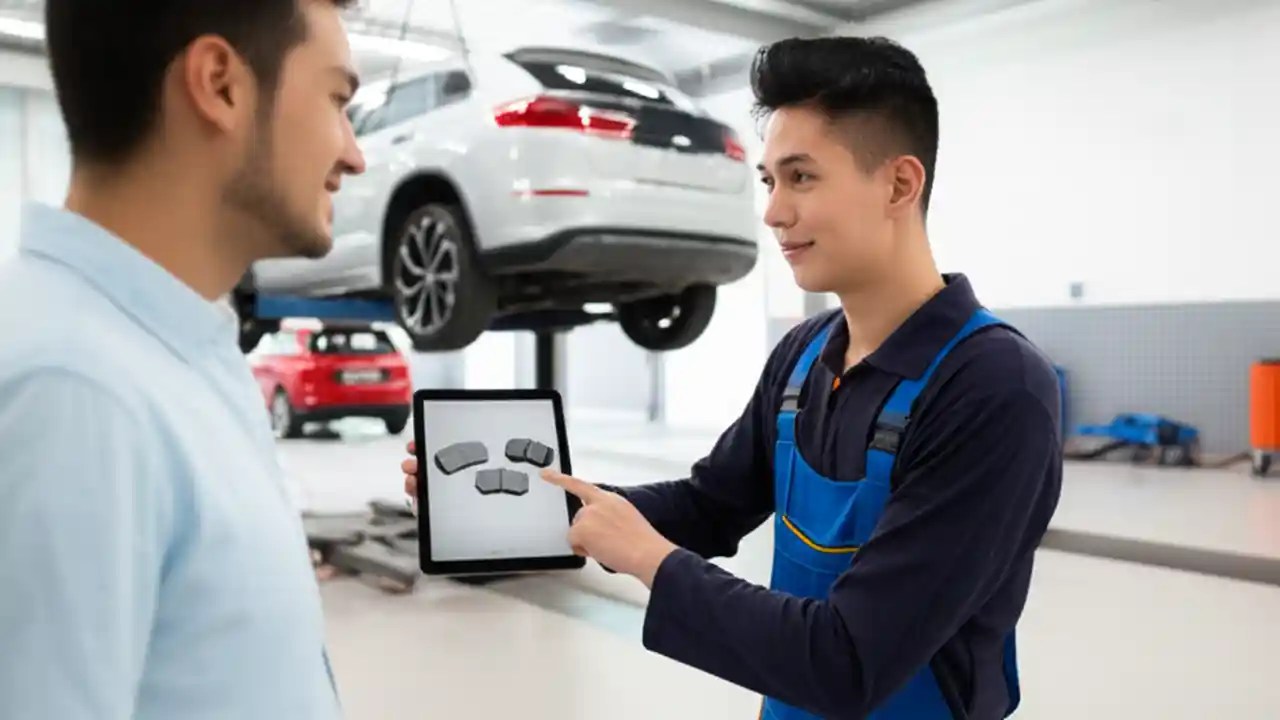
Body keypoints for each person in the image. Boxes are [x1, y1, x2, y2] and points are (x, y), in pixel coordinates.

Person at [405, 35, 1063, 720]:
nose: (775, 212)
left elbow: (849, 661)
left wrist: (653, 563)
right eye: (769, 181)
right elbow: (710, 506)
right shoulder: (804, 358)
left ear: (899, 183)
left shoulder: (994, 389)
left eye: (802, 177)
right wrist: (527, 507)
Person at [0, 1, 365, 717]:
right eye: (337, 101)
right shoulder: (75, 397)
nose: (354, 153)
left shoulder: (175, 354)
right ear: (220, 84)